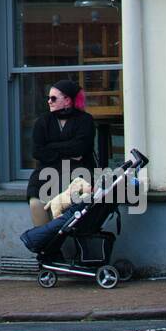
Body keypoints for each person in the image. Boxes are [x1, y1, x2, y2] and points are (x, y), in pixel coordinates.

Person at [27, 79, 98, 228]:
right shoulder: (43, 121)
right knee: (35, 203)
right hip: (46, 172)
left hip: (76, 172)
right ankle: (47, 248)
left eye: (53, 98)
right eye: (48, 98)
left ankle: (60, 245)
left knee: (60, 205)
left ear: (67, 100)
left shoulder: (85, 120)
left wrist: (51, 147)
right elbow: (37, 151)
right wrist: (67, 151)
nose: (49, 102)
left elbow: (79, 149)